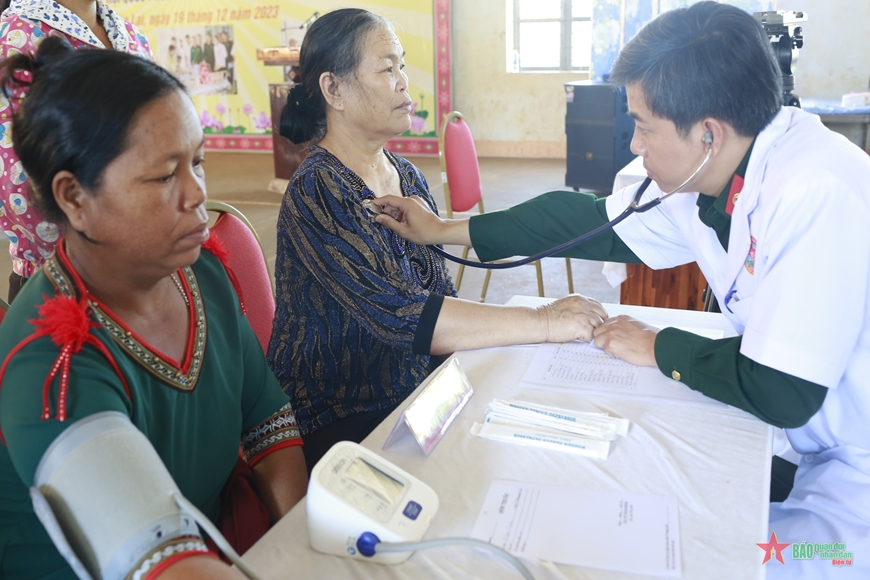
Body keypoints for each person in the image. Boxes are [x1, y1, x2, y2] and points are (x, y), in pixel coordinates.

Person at [375, 3, 869, 577]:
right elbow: (586, 223)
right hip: (809, 446)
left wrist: (657, 345)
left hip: (854, 480)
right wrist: (444, 231)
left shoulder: (818, 189)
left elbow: (783, 388)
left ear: (708, 132)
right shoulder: (713, 176)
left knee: (720, 561)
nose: (635, 146)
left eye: (644, 126)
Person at [0, 38, 307, 579]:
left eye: (198, 162)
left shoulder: (202, 273)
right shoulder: (51, 360)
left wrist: (298, 548)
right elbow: (162, 561)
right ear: (74, 198)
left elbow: (268, 424)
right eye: (165, 176)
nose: (195, 194)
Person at [270, 8, 607, 471]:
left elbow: (438, 295)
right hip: (343, 410)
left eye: (402, 65)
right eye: (387, 68)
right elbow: (402, 317)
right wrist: (543, 320)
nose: (404, 82)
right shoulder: (318, 189)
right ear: (334, 90)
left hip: (417, 387)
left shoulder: (405, 175)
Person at [0, 0, 152, 303]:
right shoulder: (16, 35)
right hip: (61, 282)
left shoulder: (132, 36)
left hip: (145, 267)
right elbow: (13, 177)